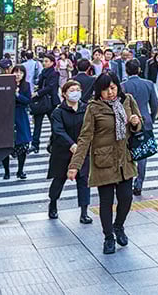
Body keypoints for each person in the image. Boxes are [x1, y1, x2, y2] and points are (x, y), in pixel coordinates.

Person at [67, 72, 143, 255]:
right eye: (106, 89)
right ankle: (108, 237)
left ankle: (119, 226)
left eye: (113, 87)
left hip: (124, 159)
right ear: (98, 91)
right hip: (104, 161)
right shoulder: (93, 108)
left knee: (126, 198)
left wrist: (135, 122)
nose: (110, 92)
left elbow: (140, 124)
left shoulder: (128, 100)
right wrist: (74, 165)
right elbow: (85, 137)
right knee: (106, 202)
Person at [47, 80, 92, 224]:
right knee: (59, 179)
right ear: (65, 94)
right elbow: (58, 131)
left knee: (84, 180)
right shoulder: (58, 111)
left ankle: (84, 212)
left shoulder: (86, 109)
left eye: (78, 89)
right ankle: (53, 203)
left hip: (82, 151)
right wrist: (71, 144)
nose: (75, 92)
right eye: (72, 90)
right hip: (63, 152)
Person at [121, 59, 158, 195]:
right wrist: (151, 118)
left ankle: (128, 181)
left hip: (128, 122)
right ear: (139, 70)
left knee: (128, 151)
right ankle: (139, 183)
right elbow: (155, 104)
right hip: (145, 120)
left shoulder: (123, 86)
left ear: (126, 70)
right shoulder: (148, 84)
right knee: (143, 153)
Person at [2, 65, 32, 180]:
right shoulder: (6, 83)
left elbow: (27, 100)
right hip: (7, 115)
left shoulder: (26, 85)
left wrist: (17, 95)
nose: (18, 74)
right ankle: (6, 171)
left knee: (22, 144)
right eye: (16, 72)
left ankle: (20, 170)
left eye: (21, 73)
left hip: (20, 116)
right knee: (5, 144)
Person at [32, 54, 61, 152]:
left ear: (52, 63)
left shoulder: (54, 73)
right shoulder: (43, 72)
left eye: (46, 61)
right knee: (37, 124)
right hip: (41, 101)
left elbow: (50, 87)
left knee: (54, 124)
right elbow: (40, 84)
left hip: (50, 101)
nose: (44, 63)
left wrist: (38, 93)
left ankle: (54, 143)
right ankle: (35, 145)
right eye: (43, 61)